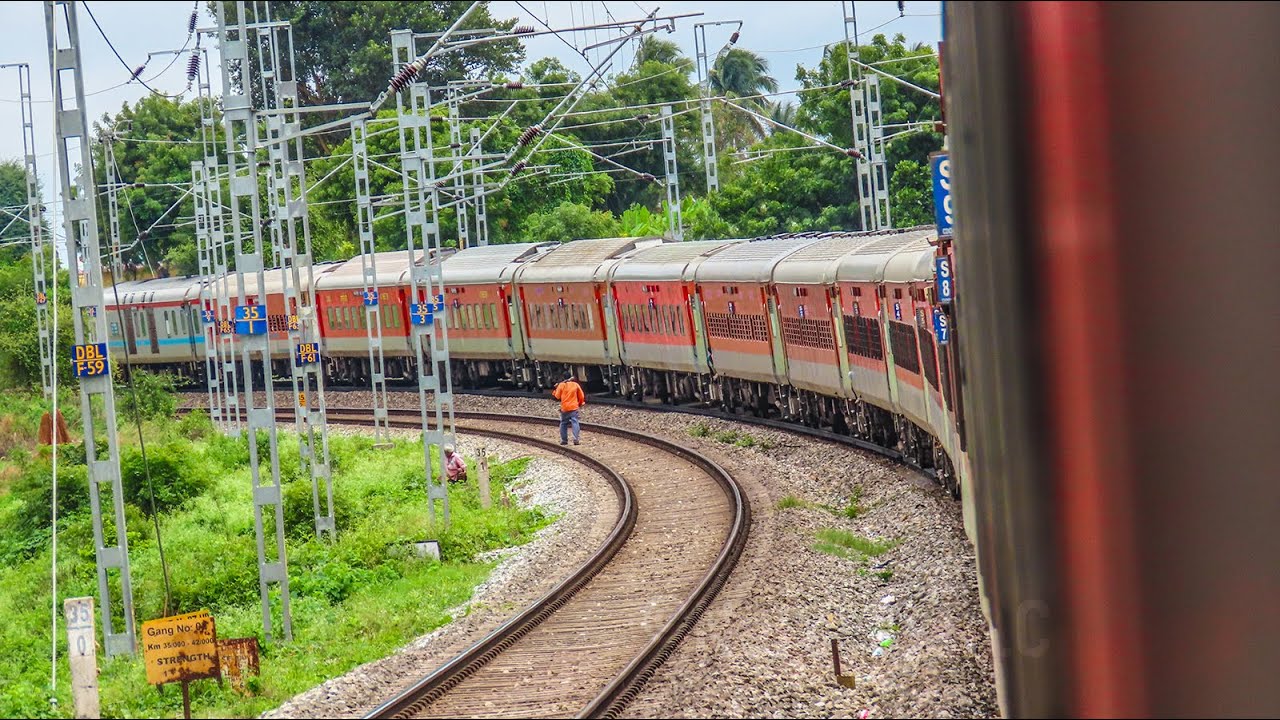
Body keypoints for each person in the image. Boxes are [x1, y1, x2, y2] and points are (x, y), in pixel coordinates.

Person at [552, 371, 585, 445]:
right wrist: (580, 403)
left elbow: (557, 396)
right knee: (575, 422)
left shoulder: (561, 385)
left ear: (563, 377)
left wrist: (555, 389)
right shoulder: (575, 385)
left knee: (563, 423)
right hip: (573, 407)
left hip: (565, 408)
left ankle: (564, 440)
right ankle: (576, 439)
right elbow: (581, 396)